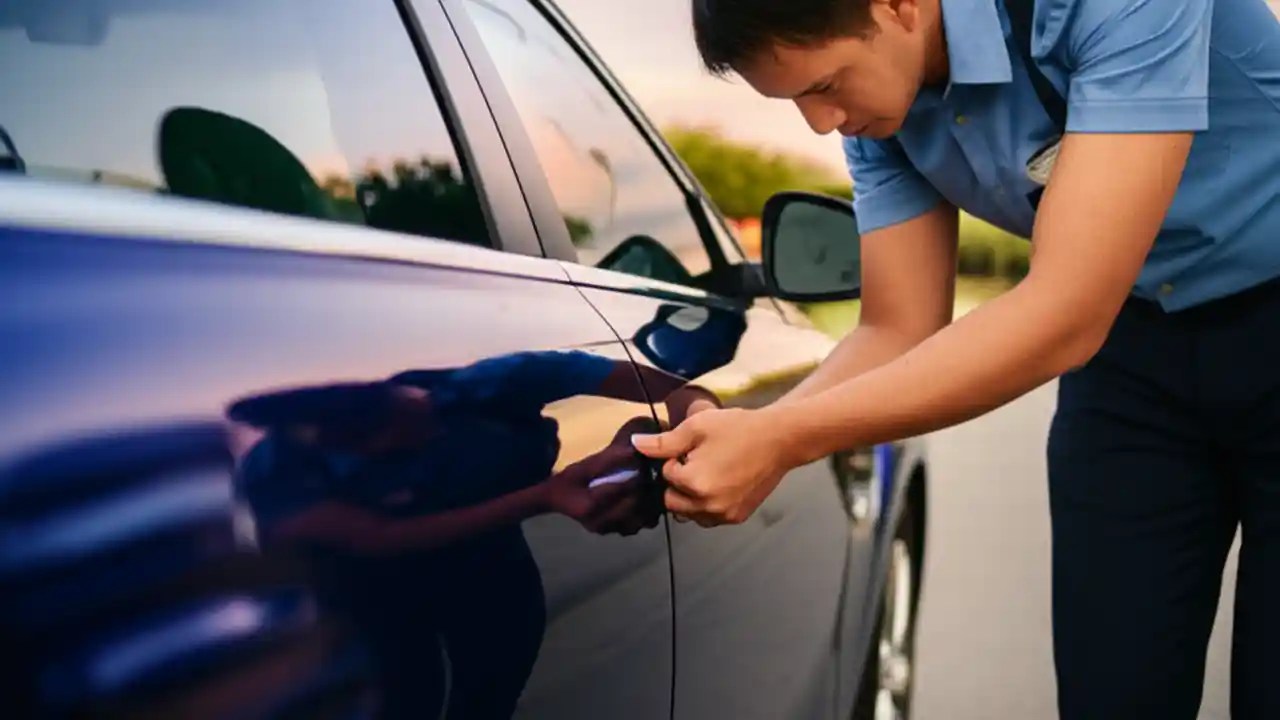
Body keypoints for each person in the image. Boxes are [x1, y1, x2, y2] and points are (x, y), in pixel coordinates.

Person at [630, 0, 1280, 717]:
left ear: (901, 6)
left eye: (825, 87)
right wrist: (760, 434)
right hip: (1132, 350)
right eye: (797, 102)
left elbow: (1066, 313)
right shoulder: (880, 104)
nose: (823, 124)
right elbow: (896, 327)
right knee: (1112, 689)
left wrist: (784, 441)